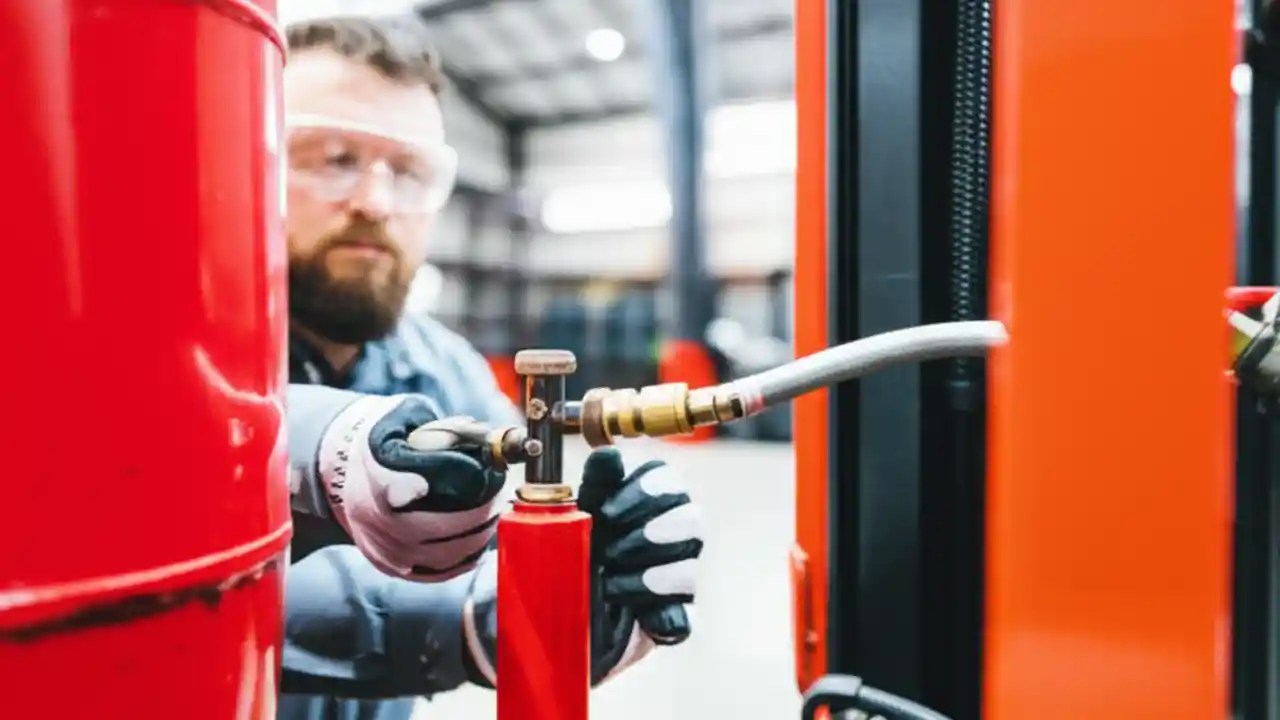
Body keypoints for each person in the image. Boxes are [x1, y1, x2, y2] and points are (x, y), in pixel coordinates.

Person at [276, 15, 705, 720]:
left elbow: (500, 570)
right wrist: (319, 444)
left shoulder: (444, 371)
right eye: (331, 157)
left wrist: (567, 604)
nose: (377, 204)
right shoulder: (161, 354)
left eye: (411, 173)